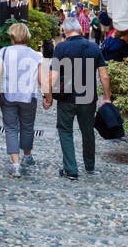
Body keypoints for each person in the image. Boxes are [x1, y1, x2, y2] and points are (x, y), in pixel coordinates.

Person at [47, 16, 111, 180]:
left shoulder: (61, 48)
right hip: (87, 98)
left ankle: (71, 169)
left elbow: (52, 77)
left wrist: (48, 97)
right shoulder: (93, 47)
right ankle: (89, 166)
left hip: (66, 98)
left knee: (65, 131)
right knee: (87, 131)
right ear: (81, 30)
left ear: (65, 31)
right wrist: (106, 97)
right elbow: (104, 76)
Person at [0, 22, 48, 178]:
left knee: (10, 128)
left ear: (12, 37)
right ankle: (27, 156)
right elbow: (42, 79)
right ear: (27, 37)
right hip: (29, 97)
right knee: (28, 127)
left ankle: (16, 165)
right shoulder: (36, 55)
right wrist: (48, 97)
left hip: (9, 95)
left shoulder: (4, 51)